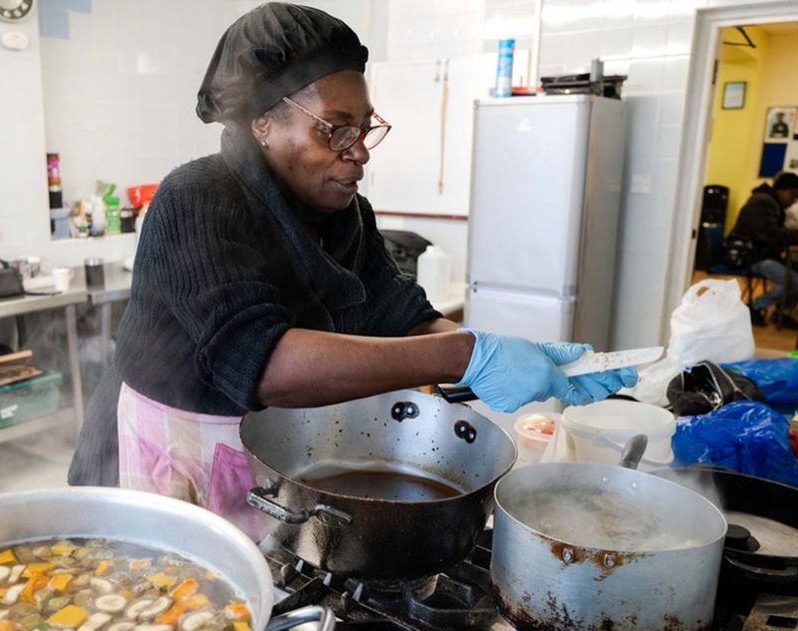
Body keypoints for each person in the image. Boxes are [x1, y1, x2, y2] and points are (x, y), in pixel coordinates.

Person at [68, 3, 636, 537]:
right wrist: (469, 355)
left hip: (265, 449)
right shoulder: (197, 197)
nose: (360, 150)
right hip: (170, 447)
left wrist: (501, 349)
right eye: (335, 129)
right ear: (264, 122)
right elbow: (261, 362)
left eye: (365, 127)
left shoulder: (346, 212)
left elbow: (399, 314)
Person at [725, 172, 798, 327]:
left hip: (761, 253)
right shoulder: (763, 202)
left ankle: (782, 314)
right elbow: (771, 234)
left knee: (795, 272)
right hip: (750, 255)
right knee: (790, 279)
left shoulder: (772, 203)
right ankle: (753, 308)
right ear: (782, 190)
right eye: (793, 195)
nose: (793, 201)